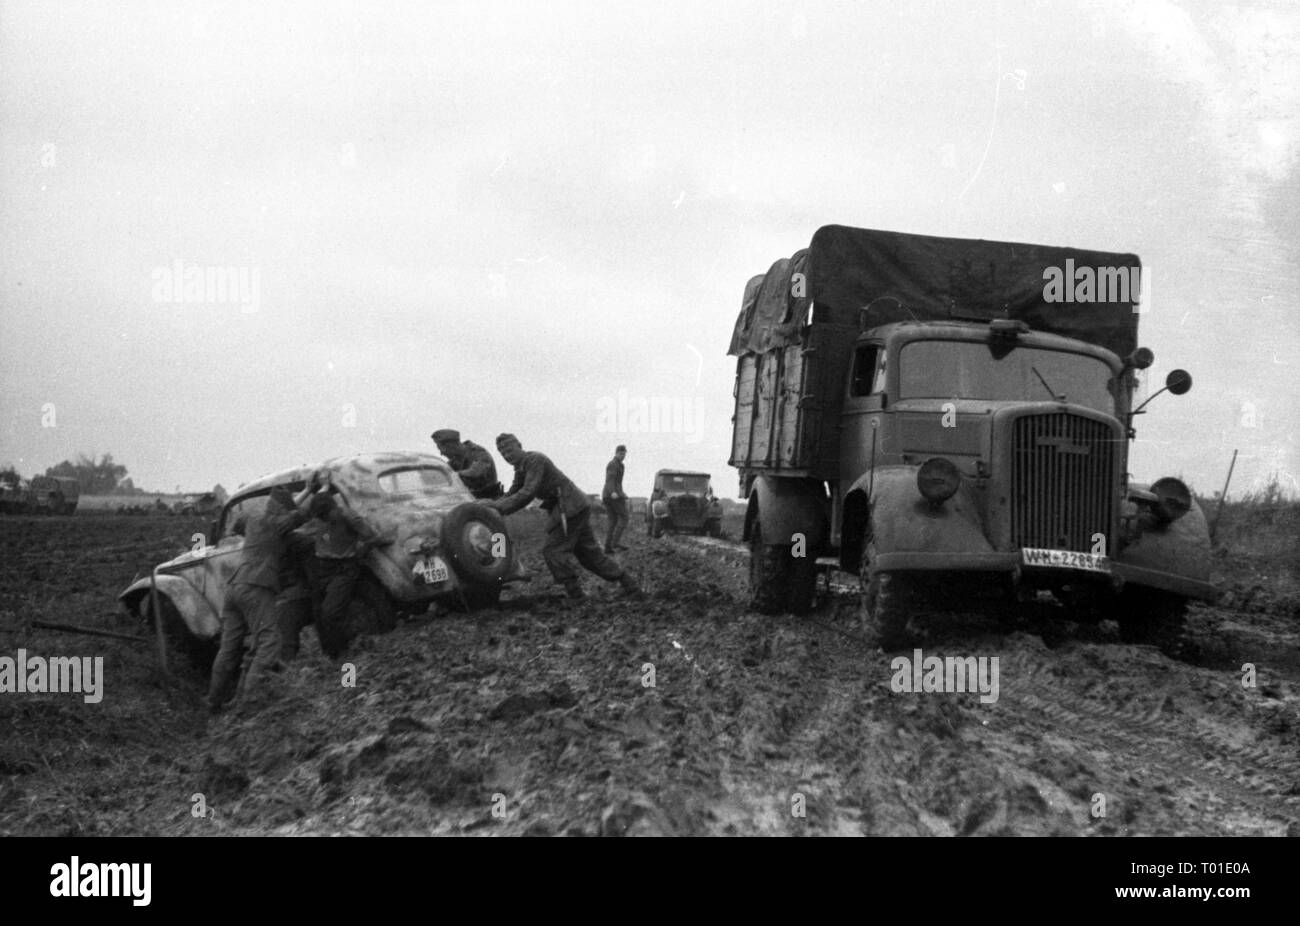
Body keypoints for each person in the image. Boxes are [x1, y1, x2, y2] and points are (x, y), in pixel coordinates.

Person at [485, 433, 642, 601]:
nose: (507, 456)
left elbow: (527, 492)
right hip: (572, 507)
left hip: (570, 507)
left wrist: (497, 507)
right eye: (503, 454)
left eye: (510, 451)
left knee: (554, 550)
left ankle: (576, 594)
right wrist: (489, 504)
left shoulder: (534, 460)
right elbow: (512, 493)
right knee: (590, 554)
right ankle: (629, 584)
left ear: (519, 445)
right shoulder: (521, 468)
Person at [207, 485, 310, 714]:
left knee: (228, 649)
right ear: (281, 509)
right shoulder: (279, 524)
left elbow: (238, 523)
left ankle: (214, 701)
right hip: (257, 587)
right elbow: (300, 515)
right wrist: (316, 490)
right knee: (270, 642)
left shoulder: (253, 519)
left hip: (234, 588)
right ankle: (249, 704)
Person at [302, 477, 387, 659]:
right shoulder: (320, 513)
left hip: (343, 569)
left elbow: (374, 537)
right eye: (321, 517)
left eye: (326, 516)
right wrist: (314, 488)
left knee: (331, 613)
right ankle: (334, 657)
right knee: (319, 615)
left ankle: (347, 657)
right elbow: (296, 511)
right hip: (322, 569)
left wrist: (360, 552)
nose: (324, 519)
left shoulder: (348, 516)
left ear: (334, 509)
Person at [431, 429, 503, 499]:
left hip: (490, 499)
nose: (442, 453)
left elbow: (476, 472)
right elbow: (442, 475)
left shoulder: (478, 453)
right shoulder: (455, 460)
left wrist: (452, 475)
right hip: (471, 500)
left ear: (451, 445)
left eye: (441, 449)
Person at [602, 445, 630, 554]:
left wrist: (622, 493)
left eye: (624, 454)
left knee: (613, 521)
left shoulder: (620, 465)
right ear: (617, 453)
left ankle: (607, 547)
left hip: (612, 495)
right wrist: (613, 492)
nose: (623, 456)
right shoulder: (613, 464)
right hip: (612, 495)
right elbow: (610, 479)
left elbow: (618, 482)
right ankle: (615, 543)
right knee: (624, 516)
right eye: (621, 454)